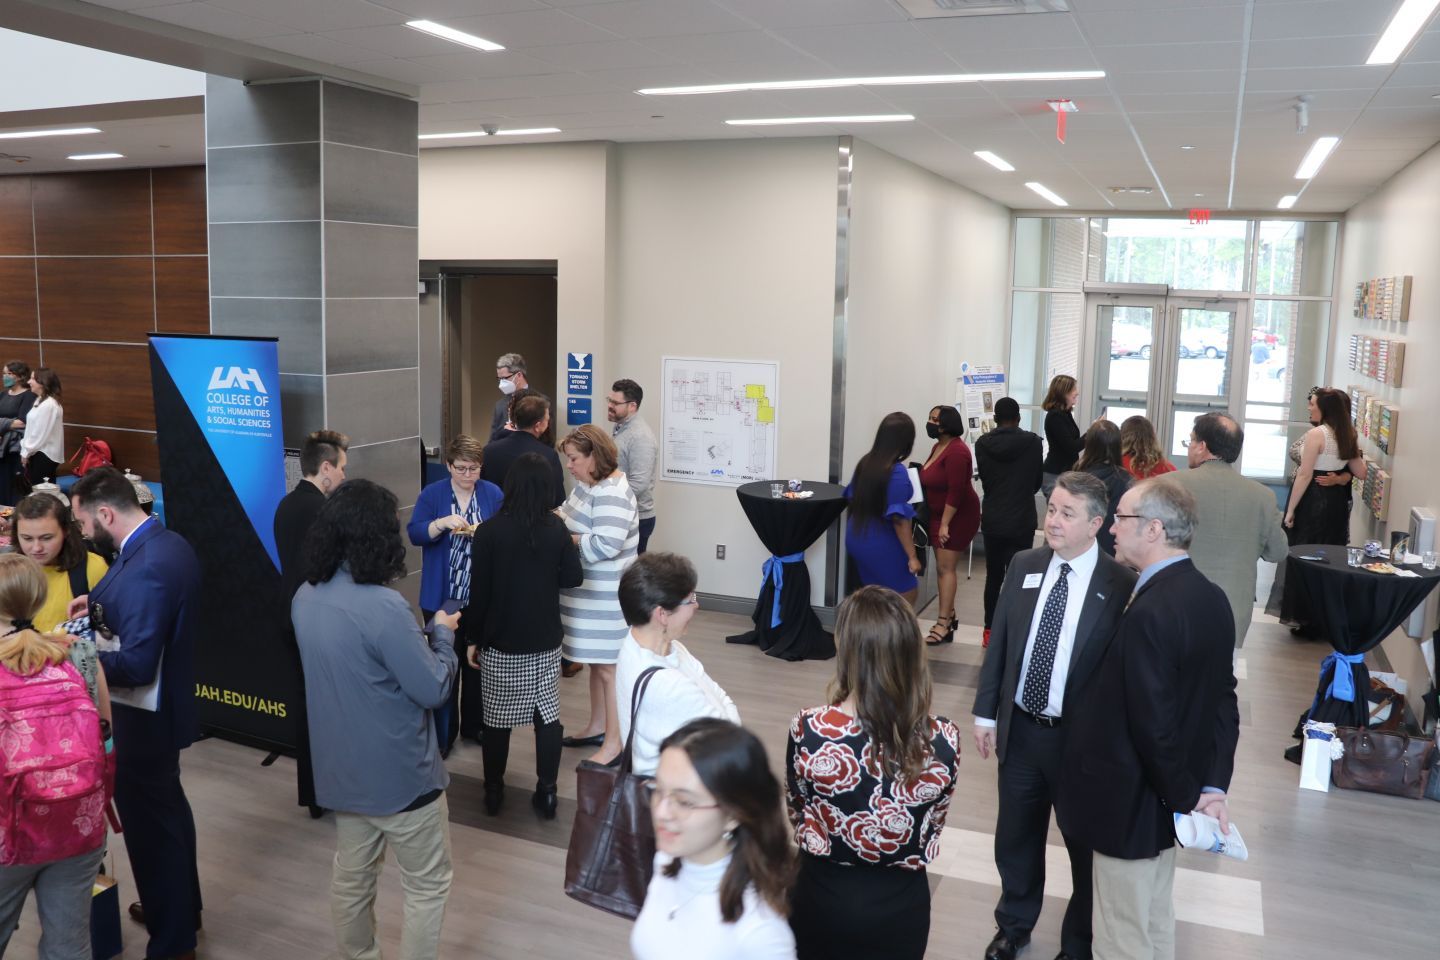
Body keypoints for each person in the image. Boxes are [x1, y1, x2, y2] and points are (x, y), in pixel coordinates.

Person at [1058, 478, 1239, 960]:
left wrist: (1184, 796)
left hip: (1132, 805)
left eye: (1121, 518)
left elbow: (1151, 724)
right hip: (1167, 803)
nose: (1112, 529)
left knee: (1121, 935)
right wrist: (1211, 787)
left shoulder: (1151, 610)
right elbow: (1223, 701)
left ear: (1154, 529)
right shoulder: (1211, 597)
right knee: (1155, 920)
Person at [971, 471, 1136, 960]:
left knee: (1083, 848)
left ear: (1097, 524)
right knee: (1015, 837)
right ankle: (1013, 926)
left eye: (1068, 513)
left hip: (1080, 743)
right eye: (1052, 510)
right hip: (1022, 731)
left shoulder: (1120, 584)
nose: (1054, 521)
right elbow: (1001, 642)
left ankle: (1077, 944)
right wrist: (985, 714)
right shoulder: (1025, 564)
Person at [292, 479, 459, 960]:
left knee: (352, 878)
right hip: (401, 774)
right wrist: (442, 635)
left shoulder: (305, 597)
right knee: (427, 884)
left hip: (342, 771)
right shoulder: (384, 607)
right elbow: (433, 689)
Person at [69, 466, 203, 960]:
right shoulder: (163, 543)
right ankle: (181, 911)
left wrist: (74, 655)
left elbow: (139, 664)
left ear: (106, 514)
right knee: (169, 817)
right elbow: (141, 608)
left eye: (84, 524)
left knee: (152, 834)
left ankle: (172, 941)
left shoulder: (148, 565)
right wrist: (98, 605)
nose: (84, 533)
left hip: (143, 721)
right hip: (158, 717)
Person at [786, 585, 961, 960]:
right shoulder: (944, 739)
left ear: (847, 649)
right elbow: (934, 820)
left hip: (820, 895)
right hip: (901, 905)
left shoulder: (809, 729)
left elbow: (797, 807)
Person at [0, 553, 109, 960]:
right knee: (70, 945)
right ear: (39, 598)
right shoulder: (78, 653)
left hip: (9, 830)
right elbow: (106, 739)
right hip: (79, 821)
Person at [465, 453, 583, 818]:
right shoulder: (556, 530)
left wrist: (472, 639)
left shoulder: (489, 531)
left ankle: (493, 791)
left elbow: (478, 594)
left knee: (496, 718)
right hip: (544, 637)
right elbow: (573, 578)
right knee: (547, 716)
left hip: (500, 638)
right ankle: (547, 792)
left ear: (510, 486)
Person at [632, 718, 797, 960]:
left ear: (732, 815)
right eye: (658, 789)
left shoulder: (760, 934)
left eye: (684, 802)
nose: (661, 812)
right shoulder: (668, 859)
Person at [408, 434, 503, 754]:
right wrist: (440, 524)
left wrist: (485, 534)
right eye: (461, 468)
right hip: (442, 596)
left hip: (479, 594)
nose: (467, 474)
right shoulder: (433, 494)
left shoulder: (492, 493)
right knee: (443, 666)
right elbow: (415, 533)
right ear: (448, 465)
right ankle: (444, 733)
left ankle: (474, 726)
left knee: (476, 664)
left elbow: (504, 533)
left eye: (474, 468)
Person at [272, 428, 348, 818]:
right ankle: (328, 790)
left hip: (289, 612)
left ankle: (313, 794)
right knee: (326, 706)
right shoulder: (323, 511)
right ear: (325, 467)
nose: (344, 475)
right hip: (316, 619)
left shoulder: (285, 505)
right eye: (342, 467)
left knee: (305, 704)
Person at [557, 424, 640, 764]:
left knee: (609, 671)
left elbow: (606, 544)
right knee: (596, 666)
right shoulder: (587, 485)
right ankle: (598, 726)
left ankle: (614, 743)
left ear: (595, 457)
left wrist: (565, 539)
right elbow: (565, 513)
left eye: (574, 459)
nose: (569, 465)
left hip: (606, 601)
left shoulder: (611, 493)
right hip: (587, 596)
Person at [615, 552, 739, 776]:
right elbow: (731, 738)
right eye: (690, 600)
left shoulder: (639, 643)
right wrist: (724, 711)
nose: (696, 605)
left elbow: (720, 697)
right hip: (677, 787)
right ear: (662, 614)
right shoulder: (667, 685)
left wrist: (722, 709)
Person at [1174, 413, 1287, 649]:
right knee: (1221, 669)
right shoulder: (1263, 496)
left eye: (1191, 440)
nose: (1189, 447)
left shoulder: (1168, 484)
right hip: (1233, 608)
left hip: (1175, 602)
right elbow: (1277, 552)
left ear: (1202, 446)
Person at [1278, 387, 1366, 635]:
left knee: (1304, 555)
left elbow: (1305, 474)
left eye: (1313, 404)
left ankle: (1304, 618)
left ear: (1325, 409)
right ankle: (1323, 619)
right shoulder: (1348, 434)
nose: (1309, 407)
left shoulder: (1317, 434)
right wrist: (1340, 476)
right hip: (1335, 504)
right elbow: (1361, 472)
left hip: (1312, 500)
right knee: (1329, 557)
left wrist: (1290, 510)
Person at [974, 397, 1044, 647]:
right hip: (1022, 519)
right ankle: (1014, 630)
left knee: (993, 576)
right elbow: (1036, 482)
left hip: (993, 518)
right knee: (1020, 577)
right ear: (1018, 418)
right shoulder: (1034, 443)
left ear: (995, 419)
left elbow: (985, 479)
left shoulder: (982, 444)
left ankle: (989, 630)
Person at [844, 413, 921, 604]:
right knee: (905, 595)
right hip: (881, 542)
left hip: (857, 537)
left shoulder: (866, 462)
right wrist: (912, 556)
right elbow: (899, 520)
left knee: (873, 597)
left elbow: (851, 498)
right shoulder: (896, 471)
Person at [919, 405, 980, 644]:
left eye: (935, 419)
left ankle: (943, 623)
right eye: (930, 418)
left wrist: (945, 524)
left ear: (947, 424)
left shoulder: (957, 452)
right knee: (942, 568)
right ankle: (950, 616)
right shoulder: (939, 446)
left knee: (946, 569)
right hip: (940, 515)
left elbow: (956, 491)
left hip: (957, 517)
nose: (930, 423)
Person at [11, 493, 109, 633]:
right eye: (27, 538)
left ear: (66, 531)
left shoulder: (93, 568)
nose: (37, 548)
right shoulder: (8, 570)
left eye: (46, 538)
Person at [481, 393, 565, 508]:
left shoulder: (489, 451)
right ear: (538, 426)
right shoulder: (549, 455)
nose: (548, 423)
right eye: (547, 420)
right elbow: (557, 498)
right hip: (535, 517)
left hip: (495, 514)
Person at [608, 378, 659, 553]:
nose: (610, 405)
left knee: (630, 570)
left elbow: (639, 484)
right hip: (622, 513)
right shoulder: (621, 427)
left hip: (636, 518)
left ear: (632, 406)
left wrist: (607, 498)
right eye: (609, 400)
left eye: (615, 403)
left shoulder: (640, 437)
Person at [1075, 419, 1130, 556]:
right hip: (1112, 548)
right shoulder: (1125, 480)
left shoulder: (1077, 477)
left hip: (1080, 547)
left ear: (1089, 444)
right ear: (1118, 445)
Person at [1040, 375, 1084, 497]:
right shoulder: (1055, 416)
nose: (1077, 393)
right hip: (1055, 475)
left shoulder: (1065, 413)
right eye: (1073, 390)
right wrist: (1091, 433)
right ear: (1063, 393)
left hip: (1065, 473)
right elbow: (1071, 447)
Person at [20, 367, 64, 486]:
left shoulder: (49, 405)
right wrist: (25, 450)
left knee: (42, 492)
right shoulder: (40, 400)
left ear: (42, 382)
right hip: (37, 453)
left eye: (32, 379)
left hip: (44, 455)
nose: (29, 382)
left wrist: (26, 452)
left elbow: (39, 434)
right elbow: (31, 429)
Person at [0, 360, 35, 505]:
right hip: (2, 446)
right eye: (4, 373)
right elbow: (13, 422)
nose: (5, 377)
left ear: (20, 376)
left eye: (9, 373)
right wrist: (8, 424)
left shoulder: (29, 396)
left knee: (15, 486)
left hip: (16, 448)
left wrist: (1, 423)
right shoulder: (3, 395)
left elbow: (22, 422)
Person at [490, 352, 530, 440]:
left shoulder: (541, 401)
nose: (501, 383)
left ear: (519, 375)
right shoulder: (500, 405)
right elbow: (493, 438)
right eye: (499, 379)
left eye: (504, 378)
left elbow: (547, 440)